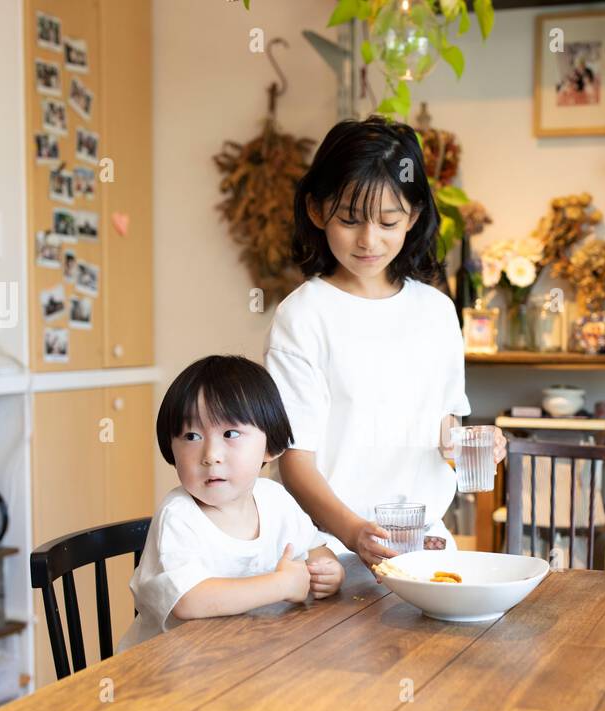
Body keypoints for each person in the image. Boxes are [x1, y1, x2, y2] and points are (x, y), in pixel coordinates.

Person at [265, 115, 506, 569]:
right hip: (330, 552)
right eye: (350, 220)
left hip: (422, 548)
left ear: (413, 217)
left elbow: (442, 429)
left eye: (388, 221)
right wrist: (355, 532)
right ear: (317, 211)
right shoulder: (303, 316)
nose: (368, 240)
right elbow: (296, 462)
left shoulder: (436, 311)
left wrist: (476, 441)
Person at [119, 355, 344, 651]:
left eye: (231, 434)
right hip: (169, 672)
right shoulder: (179, 515)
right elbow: (189, 601)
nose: (211, 454)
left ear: (271, 446)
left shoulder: (274, 500)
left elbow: (315, 549)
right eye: (191, 435)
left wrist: (329, 571)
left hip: (243, 655)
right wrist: (282, 585)